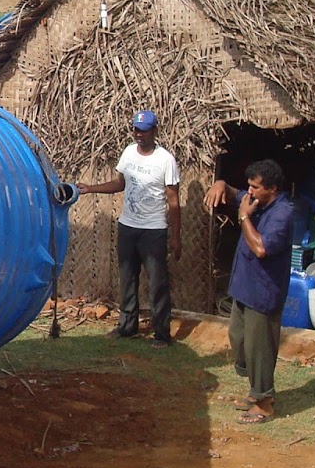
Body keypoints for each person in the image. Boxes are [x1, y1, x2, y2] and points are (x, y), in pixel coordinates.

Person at [76, 110, 181, 347]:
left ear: (154, 131)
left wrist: (176, 237)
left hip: (154, 230)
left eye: (144, 130)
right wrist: (90, 188)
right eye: (136, 130)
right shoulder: (128, 153)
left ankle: (162, 334)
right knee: (127, 278)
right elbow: (119, 184)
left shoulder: (165, 160)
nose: (139, 135)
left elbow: (173, 202)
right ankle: (127, 327)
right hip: (128, 226)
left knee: (157, 283)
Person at [204, 158, 294, 423]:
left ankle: (264, 402)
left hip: (263, 293)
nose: (250, 191)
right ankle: (256, 390)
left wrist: (243, 216)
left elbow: (261, 248)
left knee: (260, 348)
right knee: (239, 338)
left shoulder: (282, 214)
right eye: (249, 186)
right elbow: (233, 192)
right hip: (244, 288)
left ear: (273, 189)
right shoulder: (258, 200)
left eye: (255, 187)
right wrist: (220, 184)